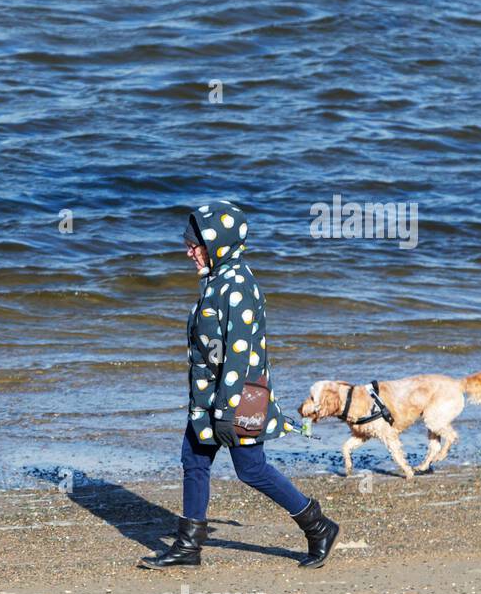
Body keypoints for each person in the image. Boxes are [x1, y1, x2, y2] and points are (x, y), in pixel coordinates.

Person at [143, 201, 339, 569]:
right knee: (194, 459)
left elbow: (238, 352)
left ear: (219, 242)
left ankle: (318, 525)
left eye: (195, 244)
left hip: (236, 398)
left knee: (251, 469)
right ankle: (189, 546)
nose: (188, 251)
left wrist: (226, 411)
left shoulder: (236, 285)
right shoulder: (218, 279)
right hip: (210, 396)